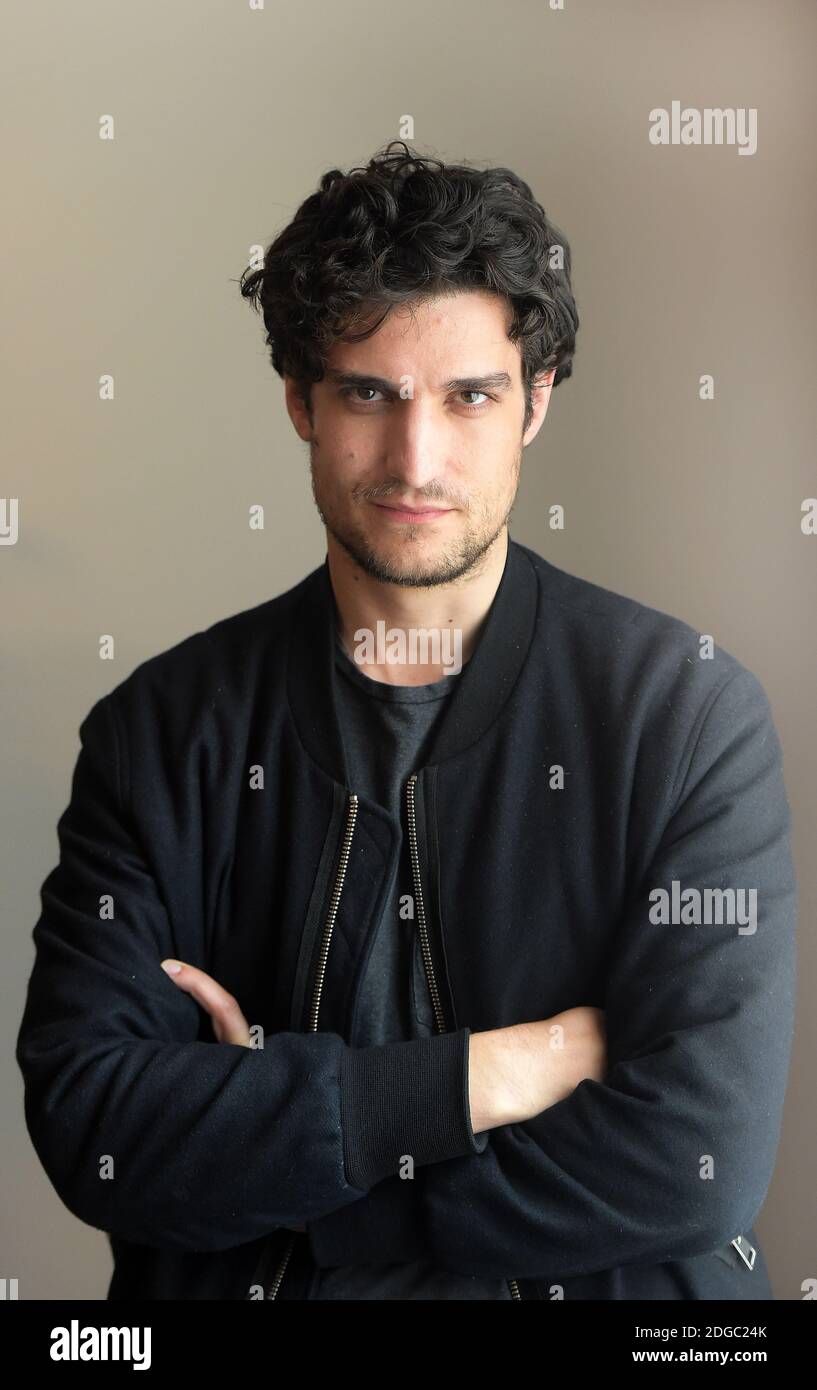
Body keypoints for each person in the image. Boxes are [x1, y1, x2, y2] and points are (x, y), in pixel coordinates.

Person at [16, 142, 797, 1300]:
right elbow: (97, 1128)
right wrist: (495, 1075)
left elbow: (694, 1165)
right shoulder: (160, 732)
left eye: (468, 396)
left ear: (534, 403)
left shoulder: (683, 715)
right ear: (299, 399)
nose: (414, 457)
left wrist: (286, 1134)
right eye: (367, 394)